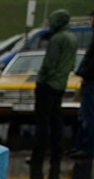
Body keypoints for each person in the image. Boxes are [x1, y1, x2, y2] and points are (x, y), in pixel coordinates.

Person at [30, 9, 78, 166]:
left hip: (48, 84)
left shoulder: (57, 39)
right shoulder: (72, 38)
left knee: (42, 120)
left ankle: (38, 154)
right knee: (57, 118)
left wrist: (42, 78)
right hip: (60, 83)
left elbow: (50, 62)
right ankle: (57, 152)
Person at [69, 10, 94, 159]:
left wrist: (84, 73)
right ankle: (81, 146)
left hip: (90, 82)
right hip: (88, 80)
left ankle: (87, 148)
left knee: (88, 116)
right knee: (84, 115)